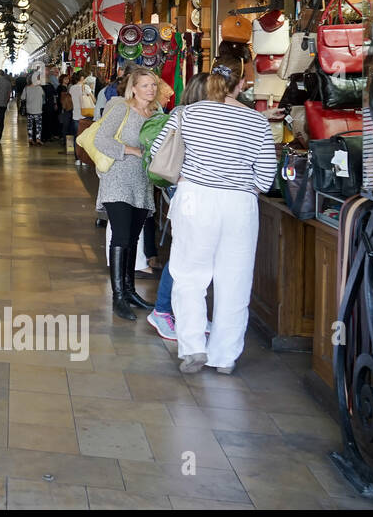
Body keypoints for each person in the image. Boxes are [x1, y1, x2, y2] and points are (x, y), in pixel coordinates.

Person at [152, 62, 276, 374]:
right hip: (239, 205)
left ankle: (192, 345)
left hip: (195, 197)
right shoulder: (257, 122)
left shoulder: (187, 114)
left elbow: (158, 152)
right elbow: (265, 178)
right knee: (234, 280)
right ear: (242, 83)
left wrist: (184, 178)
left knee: (189, 275)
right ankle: (224, 356)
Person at [144, 71, 211, 341]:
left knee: (198, 252)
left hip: (198, 192)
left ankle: (188, 312)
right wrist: (180, 177)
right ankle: (162, 309)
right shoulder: (184, 114)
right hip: (187, 192)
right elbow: (159, 150)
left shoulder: (202, 115)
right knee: (187, 251)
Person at [92, 67, 161, 321]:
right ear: (133, 87)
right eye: (145, 85)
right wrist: (131, 150)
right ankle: (118, 296)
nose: (150, 90)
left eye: (153, 85)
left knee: (133, 237)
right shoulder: (120, 108)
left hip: (143, 182)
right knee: (120, 236)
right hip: (118, 179)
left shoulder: (156, 113)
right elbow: (101, 140)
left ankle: (130, 290)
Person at [24, 77, 45, 144]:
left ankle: (30, 139)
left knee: (30, 125)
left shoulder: (26, 88)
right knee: (38, 126)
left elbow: (22, 97)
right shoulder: (40, 88)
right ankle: (38, 139)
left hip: (29, 110)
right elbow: (43, 97)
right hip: (38, 110)